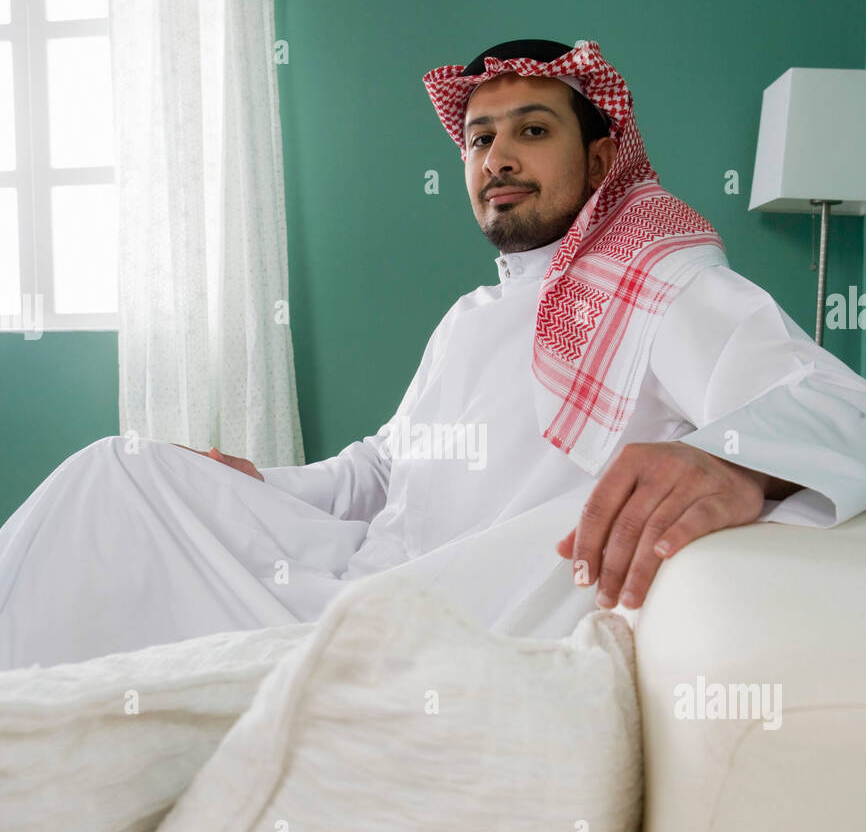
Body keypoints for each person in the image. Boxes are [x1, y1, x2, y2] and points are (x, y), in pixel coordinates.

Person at [1, 37, 865, 671]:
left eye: (532, 130)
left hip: (440, 619)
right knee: (119, 474)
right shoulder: (470, 315)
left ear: (602, 156)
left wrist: (732, 462)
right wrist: (249, 482)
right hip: (349, 575)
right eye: (481, 140)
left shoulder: (659, 283)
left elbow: (835, 403)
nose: (499, 158)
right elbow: (380, 470)